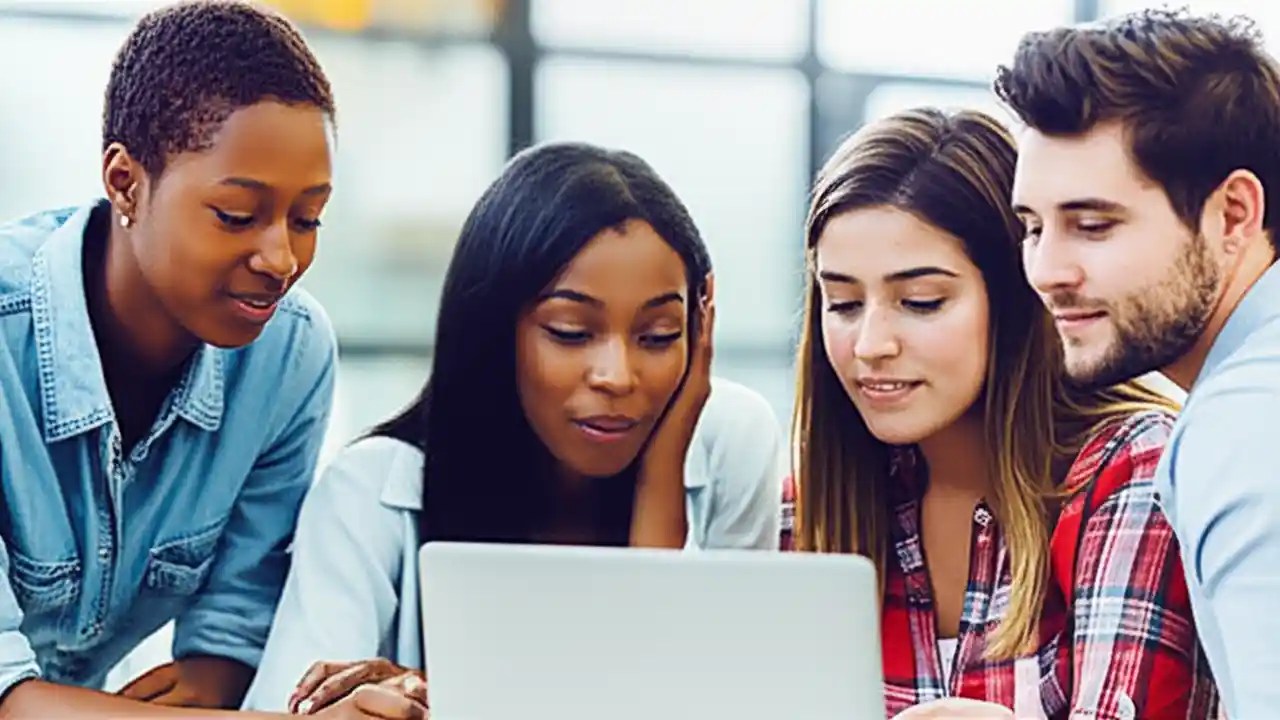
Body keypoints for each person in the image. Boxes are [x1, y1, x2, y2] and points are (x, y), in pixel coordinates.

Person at [240, 141, 787, 714]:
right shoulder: (371, 490)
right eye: (571, 331)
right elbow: (290, 710)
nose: (618, 377)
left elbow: (718, 706)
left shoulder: (728, 440)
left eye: (658, 336)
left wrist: (659, 497)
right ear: (496, 331)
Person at [0, 2, 421, 718]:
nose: (281, 259)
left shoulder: (288, 354)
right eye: (236, 215)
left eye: (307, 217)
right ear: (126, 182)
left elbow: (229, 640)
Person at [790, 107, 1218, 718]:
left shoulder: (1130, 473)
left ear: (1020, 297)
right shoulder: (810, 508)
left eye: (920, 301)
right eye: (844, 302)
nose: (869, 345)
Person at [997, 9, 1280, 716]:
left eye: (1093, 225)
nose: (1046, 270)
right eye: (1032, 227)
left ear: (1234, 215)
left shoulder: (1245, 422)